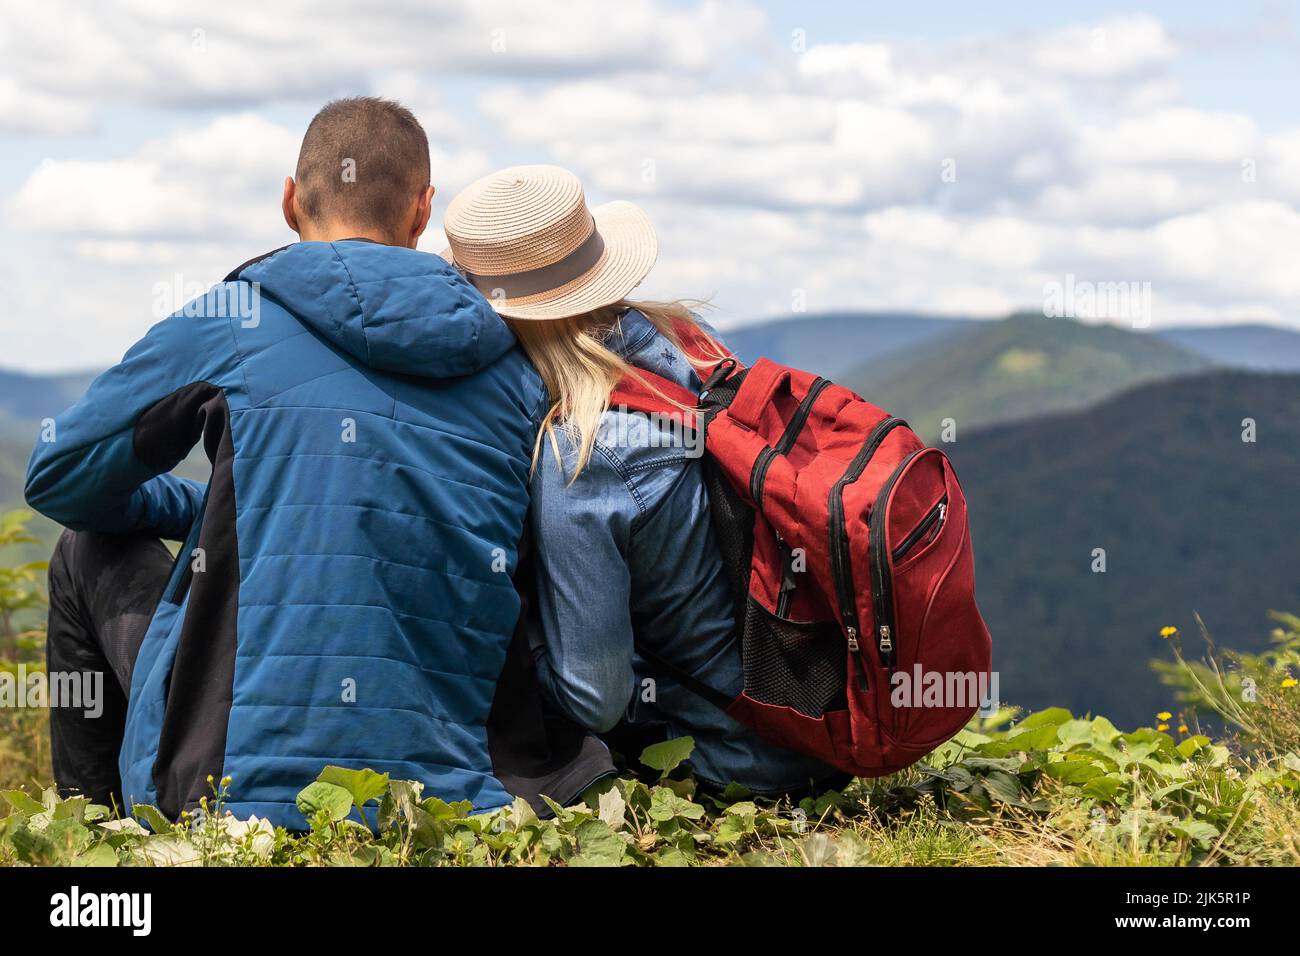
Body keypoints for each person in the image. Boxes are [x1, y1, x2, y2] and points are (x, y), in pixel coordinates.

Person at [26, 100, 611, 827]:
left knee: (84, 546)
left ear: (287, 201)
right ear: (423, 210)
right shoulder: (513, 366)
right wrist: (210, 509)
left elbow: (57, 477)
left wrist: (188, 508)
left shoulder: (230, 319)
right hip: (452, 799)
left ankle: (91, 835)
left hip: (224, 788)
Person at [441, 165, 841, 796]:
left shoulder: (584, 451)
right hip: (814, 724)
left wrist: (507, 661)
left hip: (735, 760)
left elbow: (593, 698)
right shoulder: (688, 346)